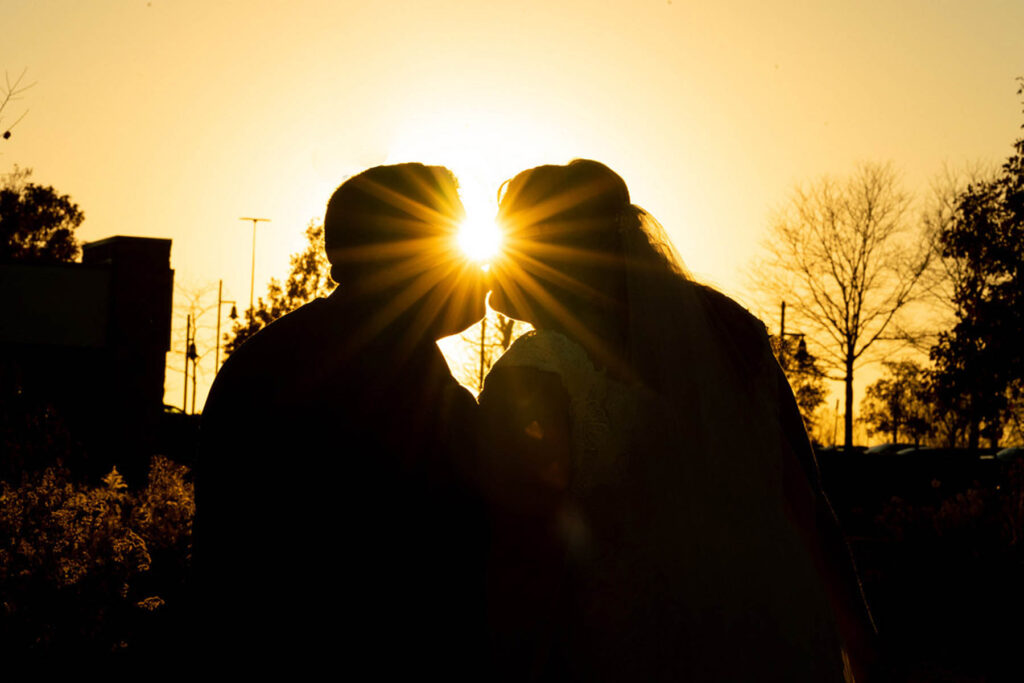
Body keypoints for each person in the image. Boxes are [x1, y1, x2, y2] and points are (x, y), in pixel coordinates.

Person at [478, 159, 878, 682]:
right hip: (770, 637)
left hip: (624, 648)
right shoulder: (727, 330)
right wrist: (861, 640)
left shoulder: (537, 369)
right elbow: (805, 500)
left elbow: (516, 547)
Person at [196, 163, 489, 675]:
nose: (479, 269)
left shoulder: (287, 350)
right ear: (405, 257)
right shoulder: (384, 374)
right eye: (457, 247)